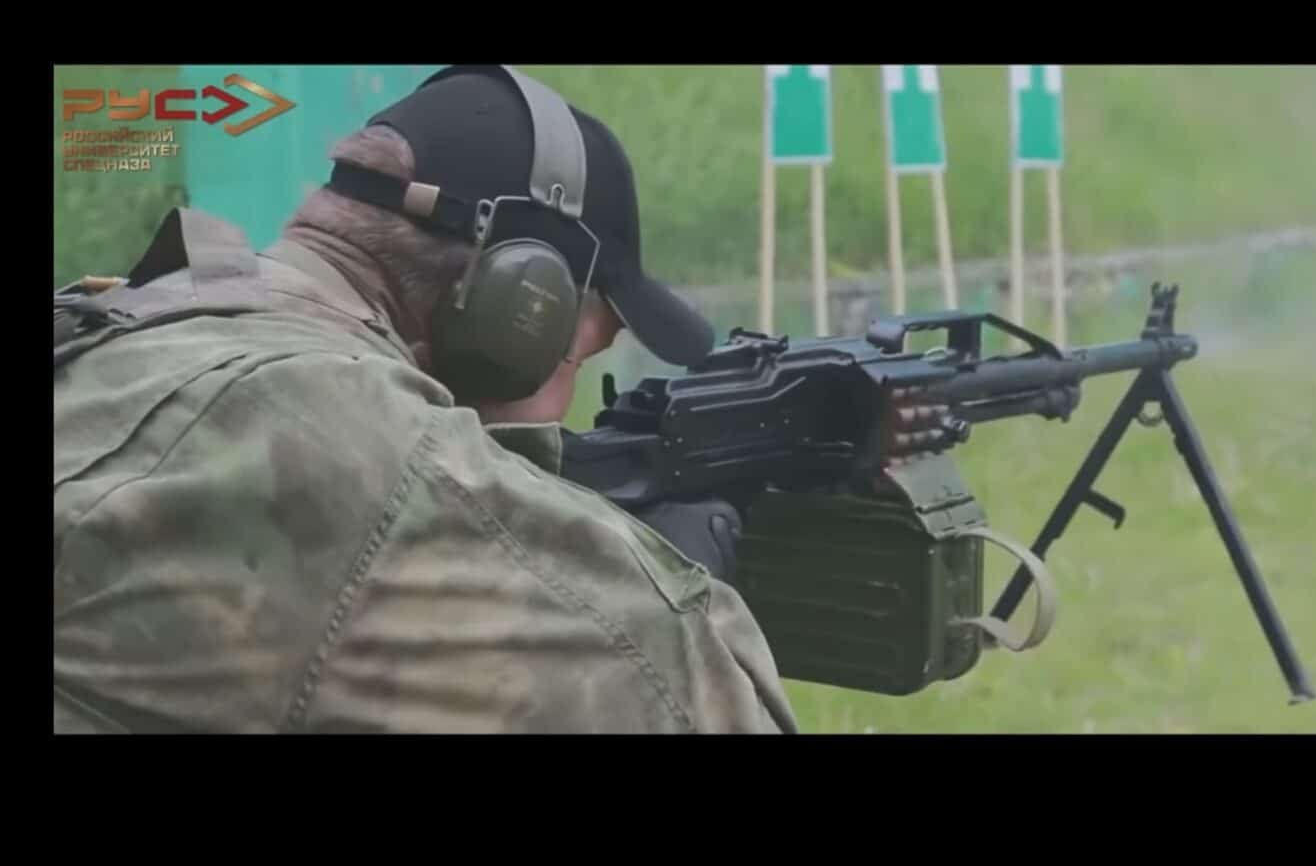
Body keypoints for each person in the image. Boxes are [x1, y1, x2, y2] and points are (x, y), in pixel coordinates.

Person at [53, 65, 798, 734]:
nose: (572, 403)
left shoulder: (118, 323)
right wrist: (666, 581)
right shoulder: (365, 449)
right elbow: (714, 709)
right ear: (520, 311)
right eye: (579, 351)